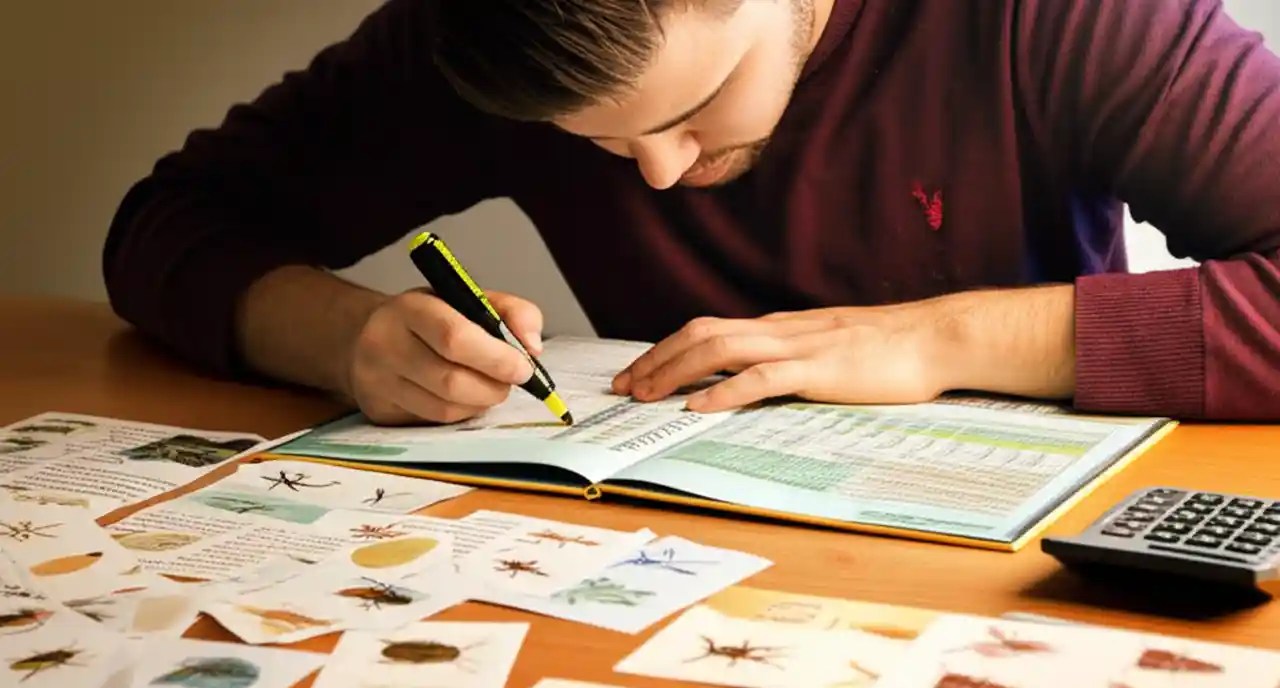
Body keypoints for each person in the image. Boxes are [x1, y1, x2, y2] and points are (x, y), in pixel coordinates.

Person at [103, 0, 1280, 426]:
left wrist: (936, 338)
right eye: (601, 143)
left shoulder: (1054, 17)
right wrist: (345, 341)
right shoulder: (486, 39)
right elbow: (172, 224)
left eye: (698, 107)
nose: (656, 175)